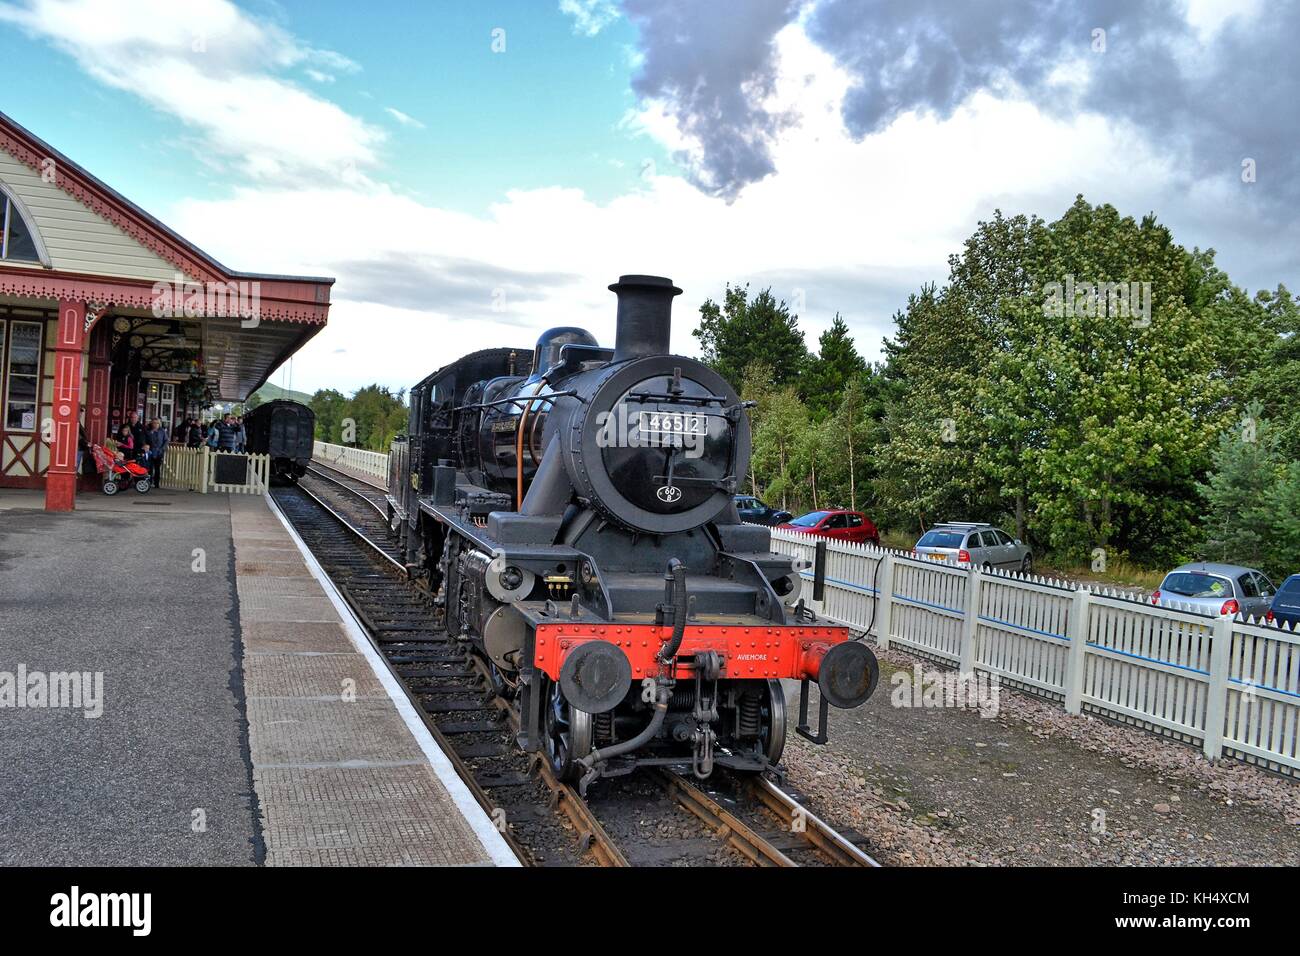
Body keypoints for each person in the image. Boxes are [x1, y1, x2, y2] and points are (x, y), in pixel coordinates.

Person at [146, 418, 168, 487]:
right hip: (150, 451)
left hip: (159, 452)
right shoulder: (148, 431)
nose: (155, 424)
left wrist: (162, 449)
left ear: (159, 424)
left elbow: (166, 440)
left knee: (157, 468)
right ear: (151, 423)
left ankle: (156, 483)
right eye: (154, 423)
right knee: (150, 468)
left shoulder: (162, 431)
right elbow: (146, 440)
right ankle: (149, 482)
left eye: (157, 423)